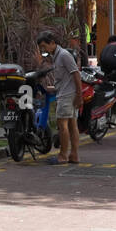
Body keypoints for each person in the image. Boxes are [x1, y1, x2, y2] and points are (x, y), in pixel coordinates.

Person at [38, 30, 81, 165]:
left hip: (67, 96)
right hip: (66, 93)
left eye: (44, 46)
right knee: (72, 124)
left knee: (63, 125)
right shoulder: (57, 56)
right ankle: (73, 155)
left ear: (52, 43)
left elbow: (76, 74)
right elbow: (66, 78)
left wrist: (79, 95)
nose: (43, 49)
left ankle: (63, 155)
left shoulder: (63, 55)